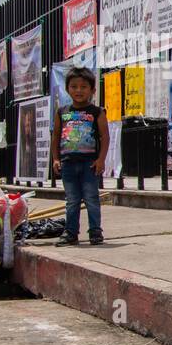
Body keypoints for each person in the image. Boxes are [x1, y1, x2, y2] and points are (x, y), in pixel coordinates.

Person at [50, 67, 108, 246]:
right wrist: (56, 159)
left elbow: (104, 137)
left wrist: (101, 160)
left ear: (92, 90)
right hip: (68, 163)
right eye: (74, 86)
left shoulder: (96, 112)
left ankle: (95, 231)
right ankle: (71, 232)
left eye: (84, 87)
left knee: (91, 197)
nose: (79, 90)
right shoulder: (62, 112)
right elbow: (56, 136)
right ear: (67, 89)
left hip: (89, 163)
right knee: (72, 200)